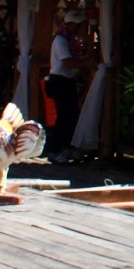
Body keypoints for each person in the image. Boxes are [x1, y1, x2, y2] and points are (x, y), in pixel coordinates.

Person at [46, 10, 89, 164]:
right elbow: (67, 62)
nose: (79, 29)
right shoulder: (60, 41)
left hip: (67, 80)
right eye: (77, 26)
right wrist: (86, 63)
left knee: (71, 115)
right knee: (63, 116)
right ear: (70, 25)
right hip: (59, 81)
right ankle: (54, 150)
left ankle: (67, 147)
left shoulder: (71, 41)